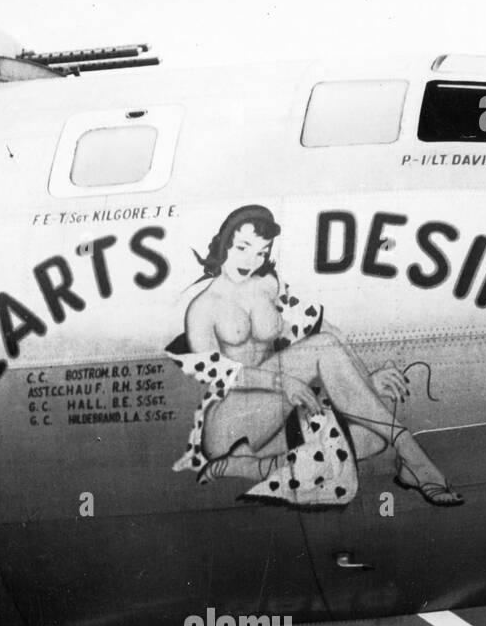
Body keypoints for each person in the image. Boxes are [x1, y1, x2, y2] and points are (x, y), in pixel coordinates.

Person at [167, 204, 463, 508]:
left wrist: (364, 384)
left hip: (276, 417)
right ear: (224, 242)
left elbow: (326, 330)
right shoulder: (203, 307)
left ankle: (249, 467)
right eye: (243, 248)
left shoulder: (268, 285)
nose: (251, 260)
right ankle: (416, 459)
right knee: (322, 349)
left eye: (261, 252)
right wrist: (281, 381)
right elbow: (216, 372)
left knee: (373, 437)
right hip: (230, 423)